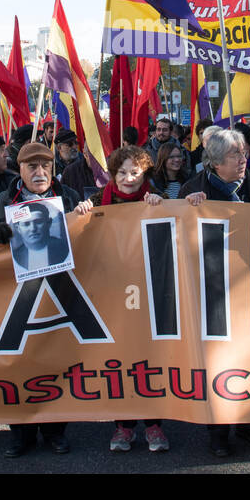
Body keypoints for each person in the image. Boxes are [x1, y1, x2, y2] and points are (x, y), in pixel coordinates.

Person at [0, 142, 92, 457]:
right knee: (19, 363)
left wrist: (85, 215)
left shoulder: (69, 197)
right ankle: (20, 433)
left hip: (60, 291)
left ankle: (55, 431)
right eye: (32, 167)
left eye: (45, 165)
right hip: (19, 294)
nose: (40, 172)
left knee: (56, 360)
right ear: (19, 170)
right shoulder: (3, 200)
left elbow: (87, 240)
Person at [180, 128, 250, 456]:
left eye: (243, 154)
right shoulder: (192, 189)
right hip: (212, 289)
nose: (242, 160)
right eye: (233, 156)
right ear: (213, 163)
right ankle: (219, 433)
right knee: (219, 361)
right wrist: (187, 210)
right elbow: (177, 238)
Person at [83, 146, 171, 454]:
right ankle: (123, 426)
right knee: (118, 358)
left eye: (135, 173)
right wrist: (82, 212)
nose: (128, 178)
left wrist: (162, 207)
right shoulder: (97, 202)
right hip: (111, 294)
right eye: (122, 172)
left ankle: (153, 424)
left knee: (150, 357)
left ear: (145, 175)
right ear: (112, 174)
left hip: (150, 294)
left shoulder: (157, 200)